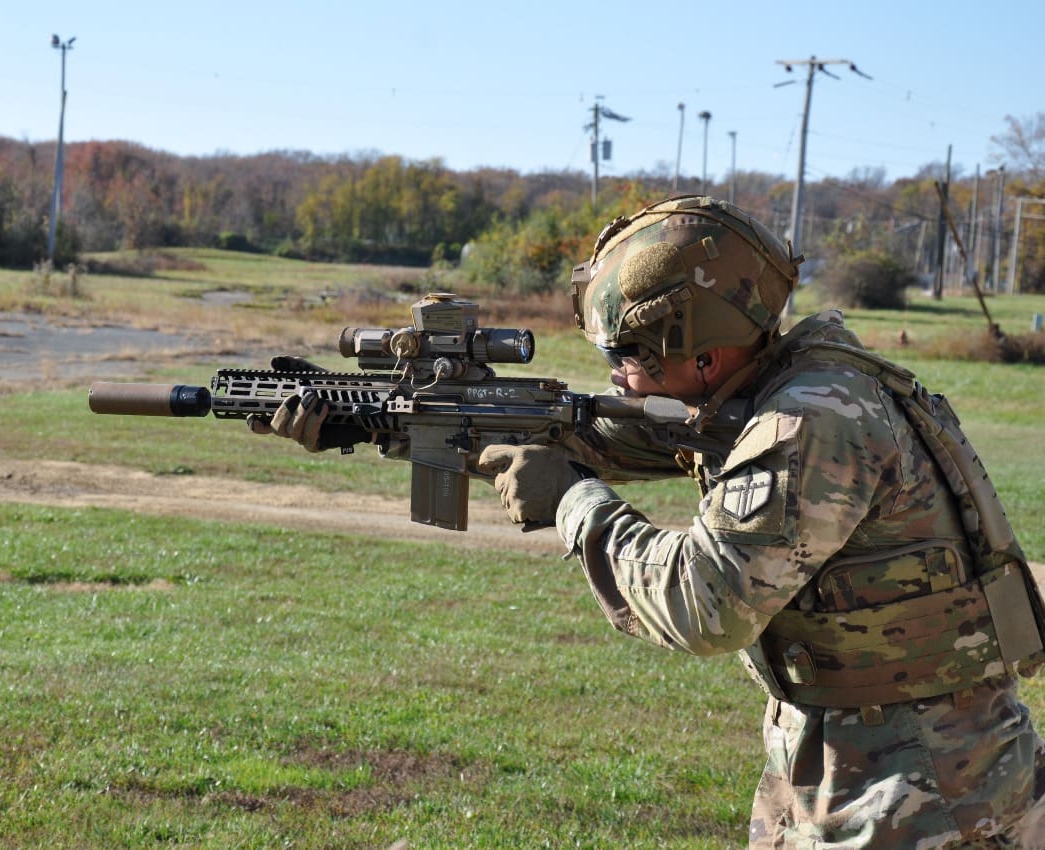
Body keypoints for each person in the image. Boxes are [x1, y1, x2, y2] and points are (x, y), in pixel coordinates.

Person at [253, 195, 1045, 848]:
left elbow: (706, 605)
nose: (620, 376)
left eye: (630, 353)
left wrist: (571, 501)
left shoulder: (810, 422)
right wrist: (389, 425)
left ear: (700, 349)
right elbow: (604, 434)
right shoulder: (786, 386)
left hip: (925, 789)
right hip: (878, 759)